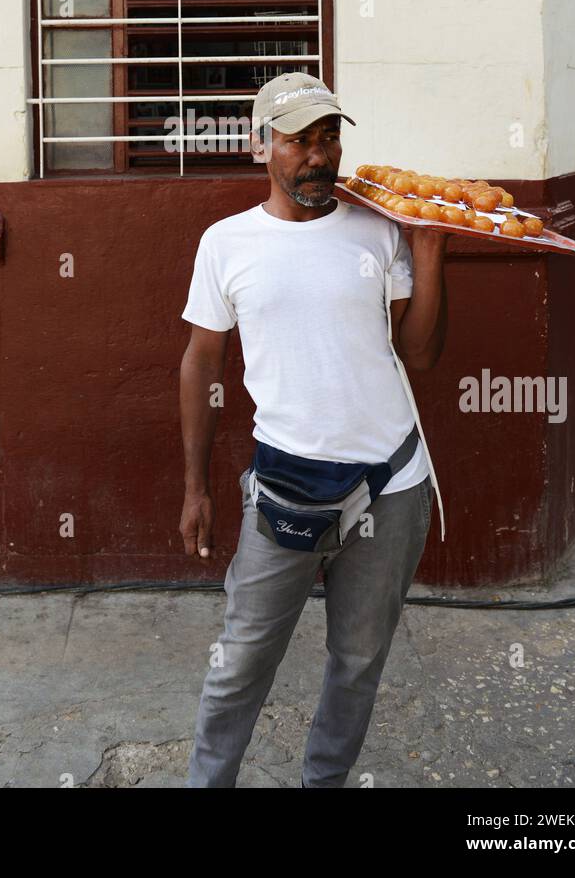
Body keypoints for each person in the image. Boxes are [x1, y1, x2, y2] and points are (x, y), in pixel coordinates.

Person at [178, 71, 448, 788]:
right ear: (261, 145)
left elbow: (416, 354)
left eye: (328, 137)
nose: (318, 156)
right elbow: (201, 360)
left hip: (391, 485)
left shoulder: (377, 230)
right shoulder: (226, 243)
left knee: (357, 659)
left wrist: (427, 254)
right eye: (299, 140)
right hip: (286, 488)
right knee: (241, 659)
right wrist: (194, 488)